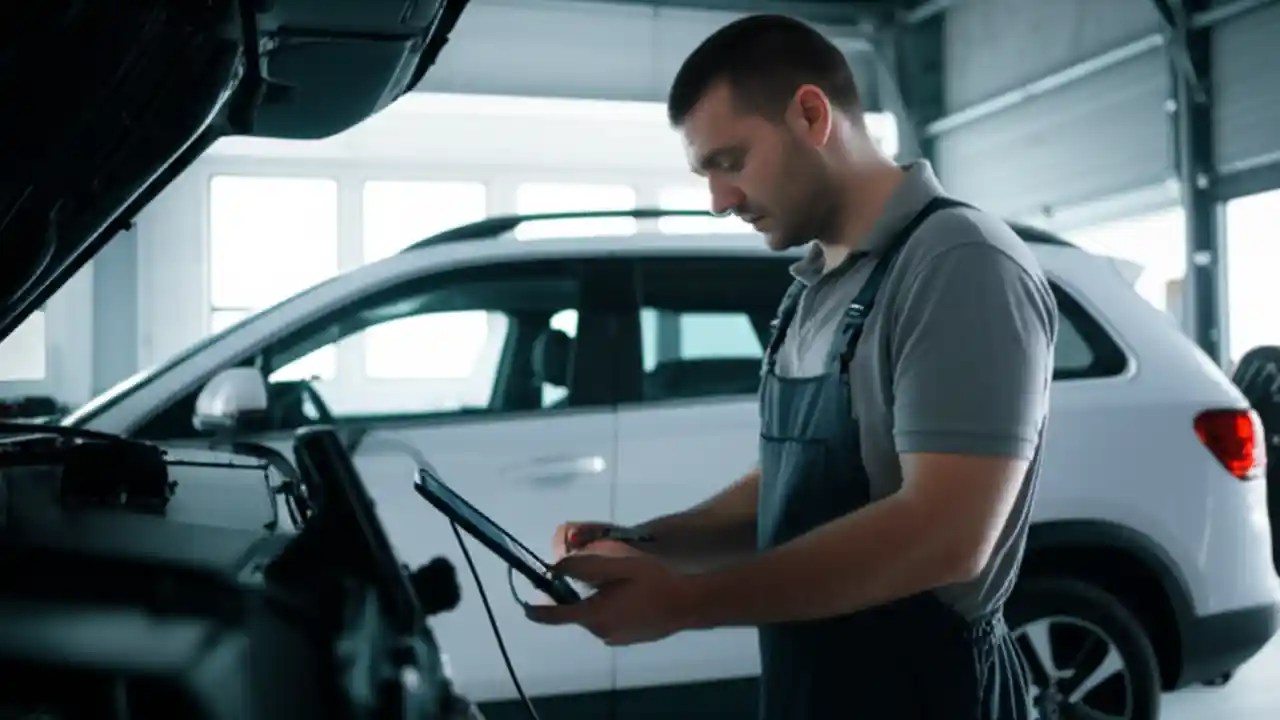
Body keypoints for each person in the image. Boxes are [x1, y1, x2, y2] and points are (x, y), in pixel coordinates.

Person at [524, 13, 1057, 719]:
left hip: (926, 694)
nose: (719, 202)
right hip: (819, 686)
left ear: (810, 114)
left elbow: (947, 534)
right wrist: (650, 540)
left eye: (730, 162)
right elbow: (790, 486)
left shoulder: (958, 262)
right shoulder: (813, 288)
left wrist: (691, 603)